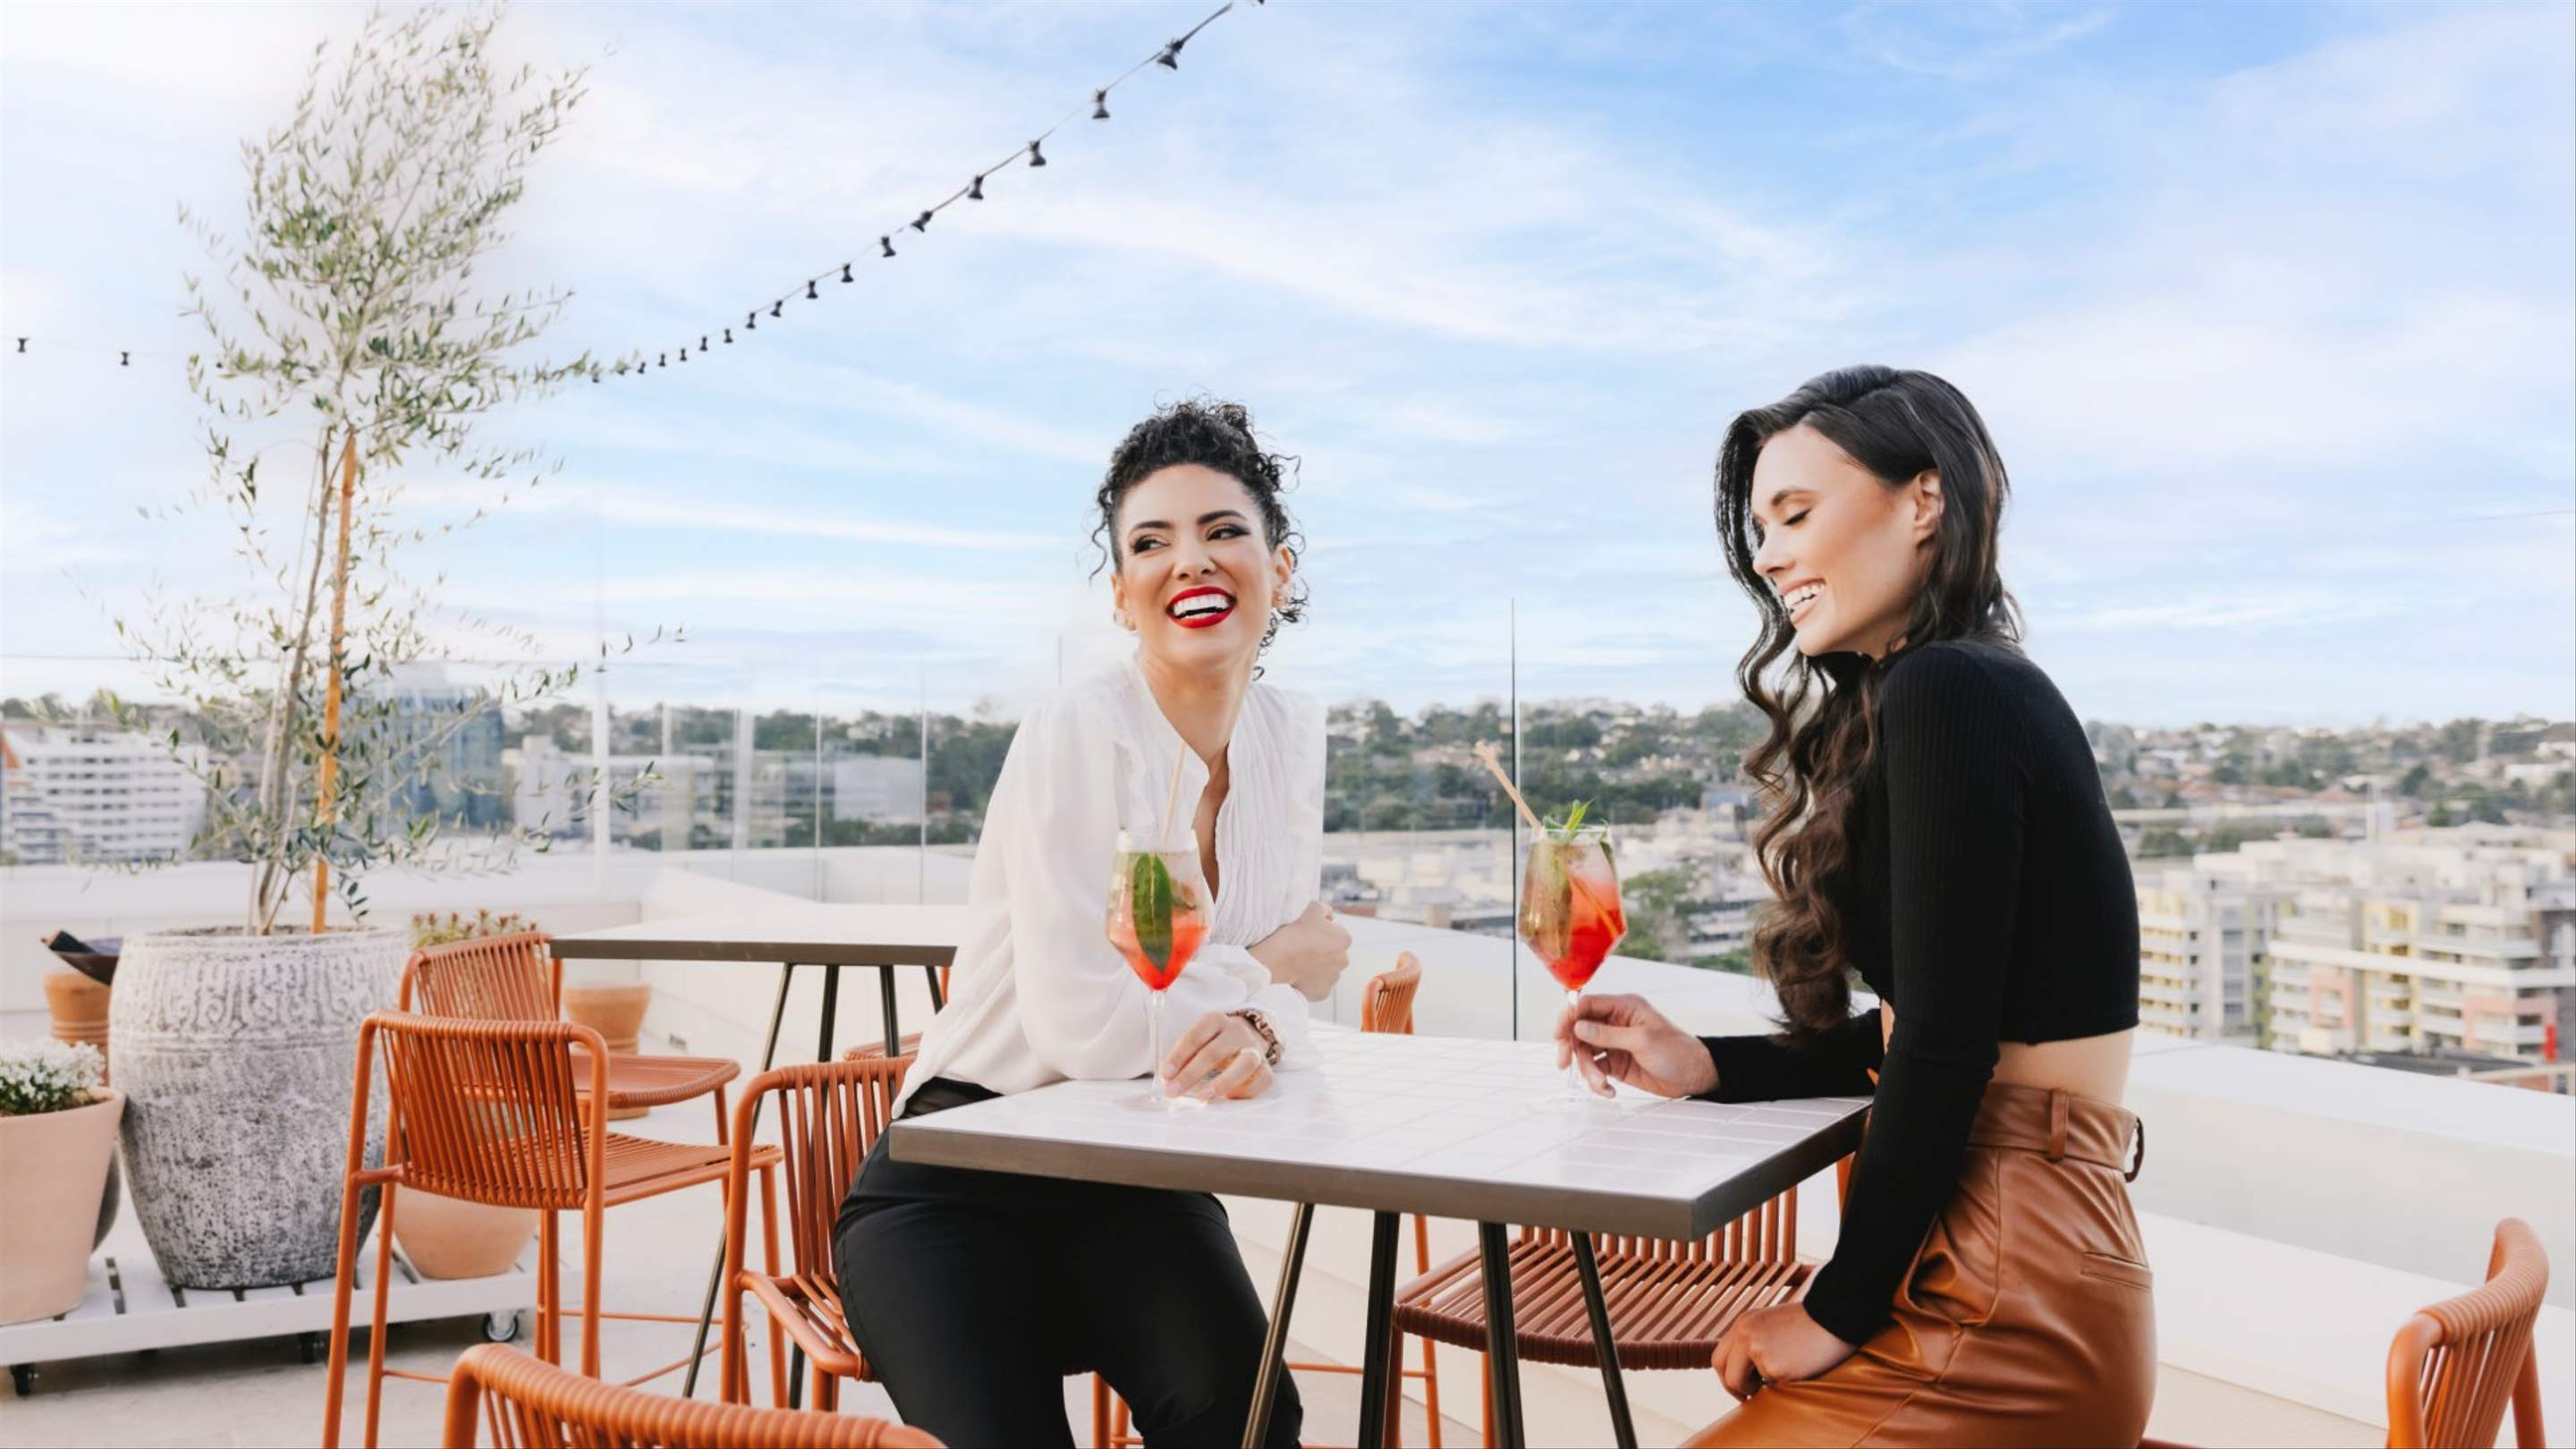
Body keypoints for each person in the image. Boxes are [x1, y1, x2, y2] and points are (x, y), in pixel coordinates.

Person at [1557, 366, 2152, 1447]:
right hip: (2008, 1251)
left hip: (2005, 1290)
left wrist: (1835, 1308)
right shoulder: (1957, 690)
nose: (1769, 555)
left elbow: (1945, 1045)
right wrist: (1708, 1064)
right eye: (1758, 530)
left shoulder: (1950, 691)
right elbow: (1925, 1028)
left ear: (1923, 500)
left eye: (1795, 514)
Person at [833, 398, 1352, 1447]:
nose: (1189, 563)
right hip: (959, 1174)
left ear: (1279, 569)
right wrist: (1270, 974)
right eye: (1151, 544)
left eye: (1223, 532)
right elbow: (1086, 1030)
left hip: (1135, 1179)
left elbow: (1286, 1005)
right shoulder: (1078, 732)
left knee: (1243, 1423)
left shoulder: (1292, 738)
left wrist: (1257, 1016)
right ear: (1122, 596)